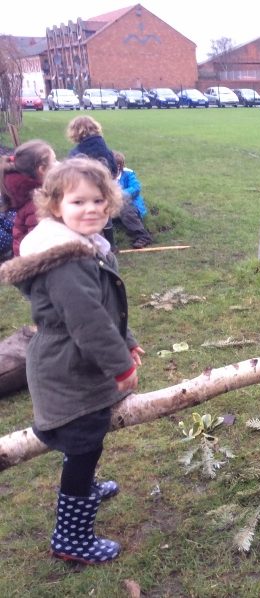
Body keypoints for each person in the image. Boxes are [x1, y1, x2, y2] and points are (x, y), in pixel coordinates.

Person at [0, 157, 144, 564]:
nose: (91, 209)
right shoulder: (66, 261)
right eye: (78, 202)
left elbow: (107, 306)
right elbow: (88, 323)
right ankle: (71, 537)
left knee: (88, 439)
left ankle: (85, 486)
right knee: (81, 444)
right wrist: (121, 366)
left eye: (99, 200)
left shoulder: (85, 247)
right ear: (55, 206)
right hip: (66, 368)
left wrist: (128, 341)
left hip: (75, 363)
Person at [66, 116, 118, 247]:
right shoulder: (106, 149)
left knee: (86, 216)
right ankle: (111, 246)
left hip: (84, 189)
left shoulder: (76, 153)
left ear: (75, 132)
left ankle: (87, 244)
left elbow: (71, 173)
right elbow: (114, 169)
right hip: (104, 187)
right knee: (105, 215)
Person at [0, 140, 57, 257]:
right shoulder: (37, 202)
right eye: (54, 161)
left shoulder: (15, 186)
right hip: (32, 260)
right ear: (42, 169)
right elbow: (41, 242)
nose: (58, 164)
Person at [113, 151, 153, 249]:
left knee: (126, 211)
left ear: (118, 166)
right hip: (110, 206)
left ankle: (143, 237)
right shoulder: (103, 176)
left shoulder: (128, 174)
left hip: (129, 205)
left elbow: (135, 188)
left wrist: (120, 194)